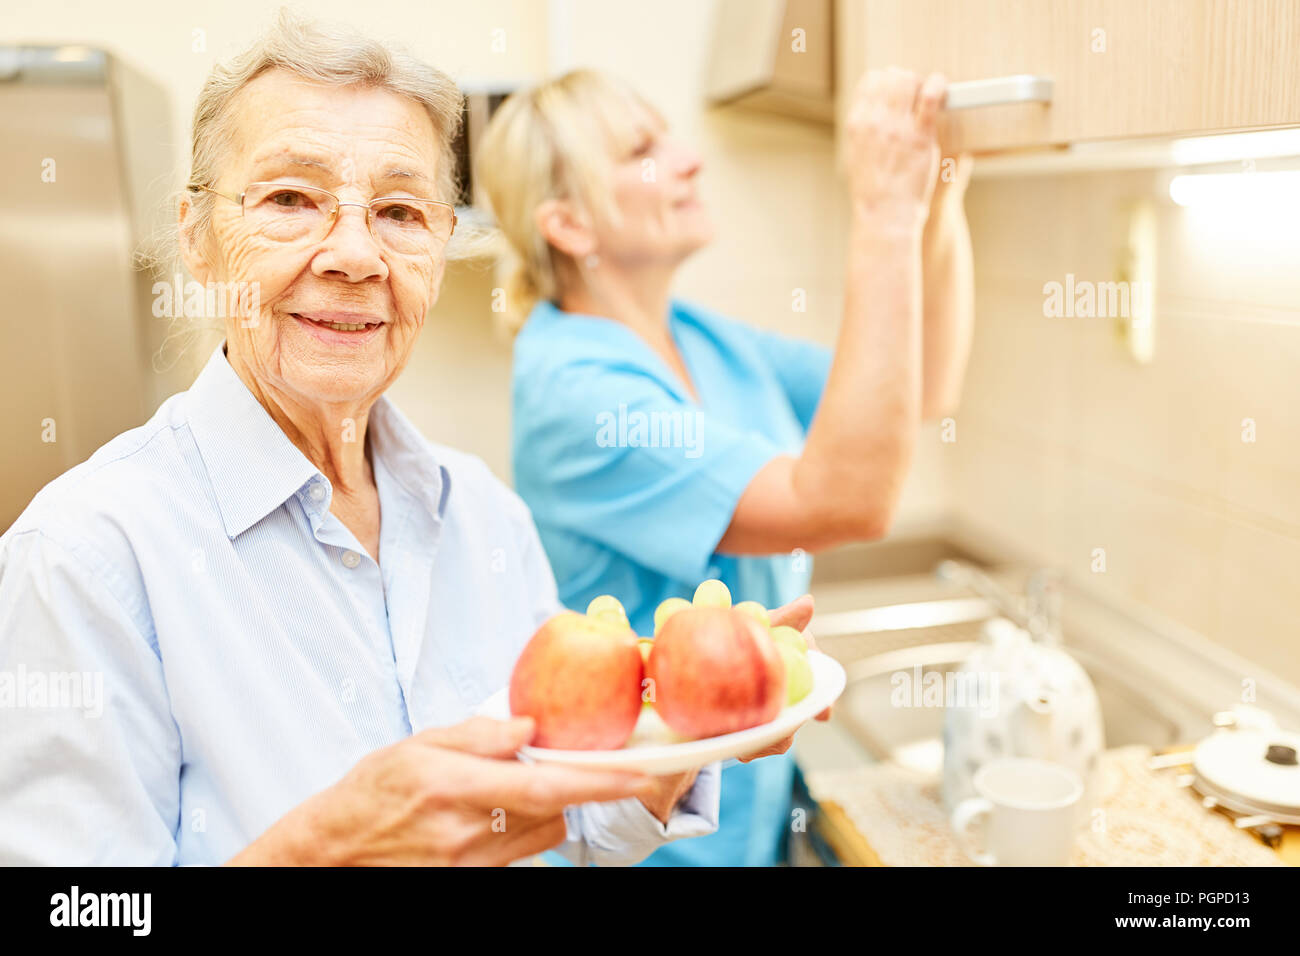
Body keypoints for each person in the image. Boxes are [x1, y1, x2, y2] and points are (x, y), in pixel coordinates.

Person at [0, 11, 781, 866]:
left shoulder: (484, 515)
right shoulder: (83, 556)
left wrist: (673, 745)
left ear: (442, 248)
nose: (354, 255)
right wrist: (316, 853)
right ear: (197, 235)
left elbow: (566, 819)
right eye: (290, 199)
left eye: (401, 211)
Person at [475, 68, 974, 865]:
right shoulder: (575, 388)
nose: (688, 160)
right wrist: (882, 213)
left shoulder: (698, 337)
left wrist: (936, 200)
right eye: (644, 149)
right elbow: (848, 502)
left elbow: (922, 387)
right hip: (651, 838)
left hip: (747, 806)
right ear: (567, 224)